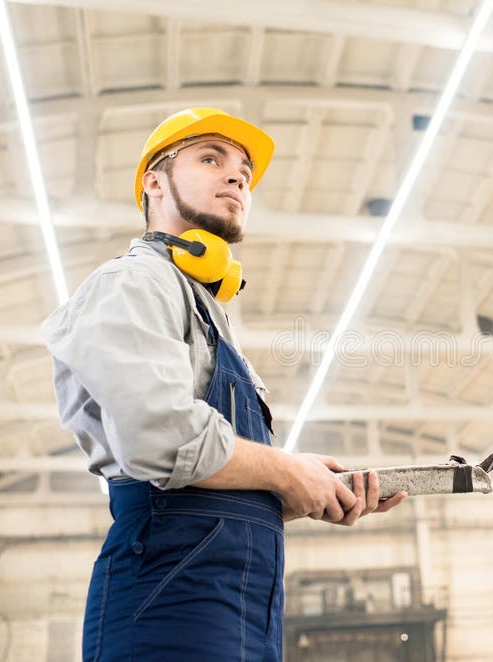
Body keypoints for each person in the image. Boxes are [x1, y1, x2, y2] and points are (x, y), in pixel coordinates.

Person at [41, 107, 406, 661]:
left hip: (244, 604)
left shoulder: (207, 312)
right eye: (211, 159)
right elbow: (161, 438)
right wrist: (286, 470)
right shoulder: (131, 283)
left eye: (244, 170)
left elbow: (207, 481)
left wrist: (305, 492)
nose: (237, 176)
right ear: (154, 183)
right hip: (168, 598)